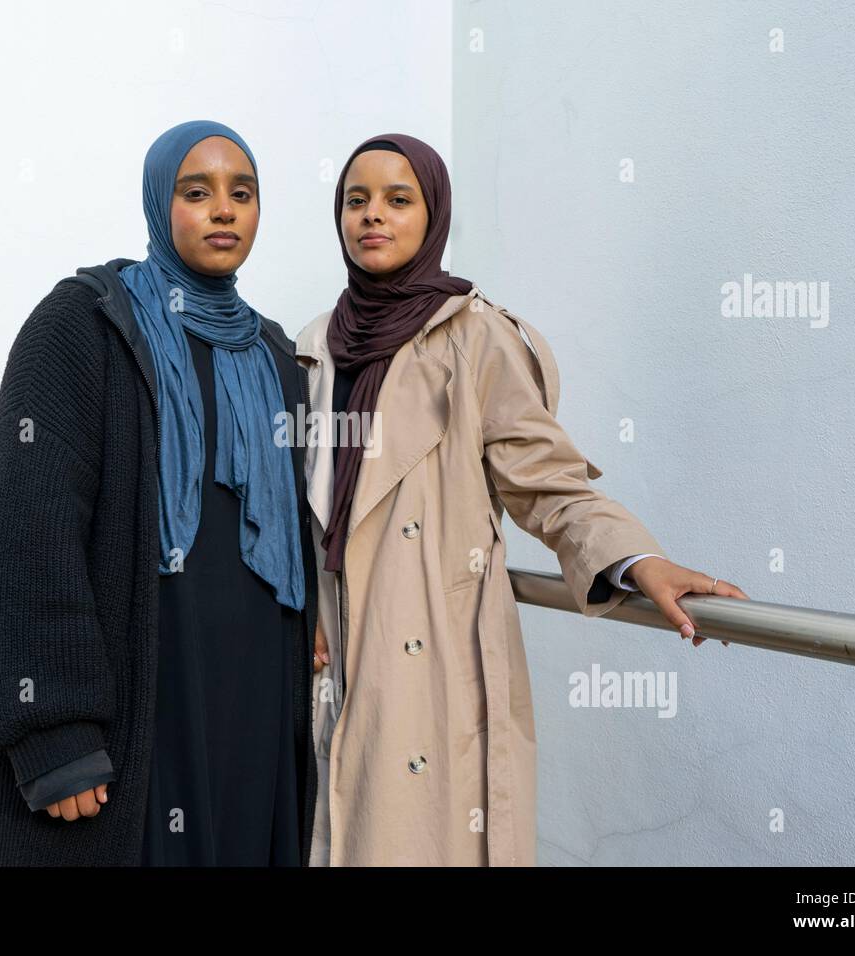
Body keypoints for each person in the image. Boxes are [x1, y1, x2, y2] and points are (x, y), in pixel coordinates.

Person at [298, 133, 749, 866]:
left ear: (433, 214)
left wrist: (638, 562)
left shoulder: (476, 338)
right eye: (356, 200)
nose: (372, 216)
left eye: (397, 199)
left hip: (431, 653)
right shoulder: (315, 345)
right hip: (338, 655)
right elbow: (302, 507)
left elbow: (549, 484)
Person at [0, 120, 319, 866]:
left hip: (252, 698)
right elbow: (24, 531)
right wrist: (52, 732)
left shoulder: (278, 357)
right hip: (144, 703)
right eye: (198, 192)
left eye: (242, 193)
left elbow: (297, 534)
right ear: (160, 204)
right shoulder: (86, 325)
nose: (224, 210)